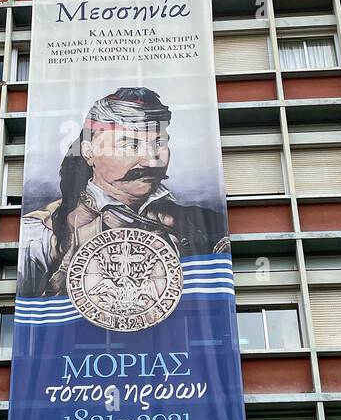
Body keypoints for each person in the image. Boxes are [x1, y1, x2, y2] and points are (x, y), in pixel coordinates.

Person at [18, 87, 228, 297]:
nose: (152, 161)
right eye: (130, 145)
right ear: (89, 152)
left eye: (159, 144)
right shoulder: (41, 236)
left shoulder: (201, 225)